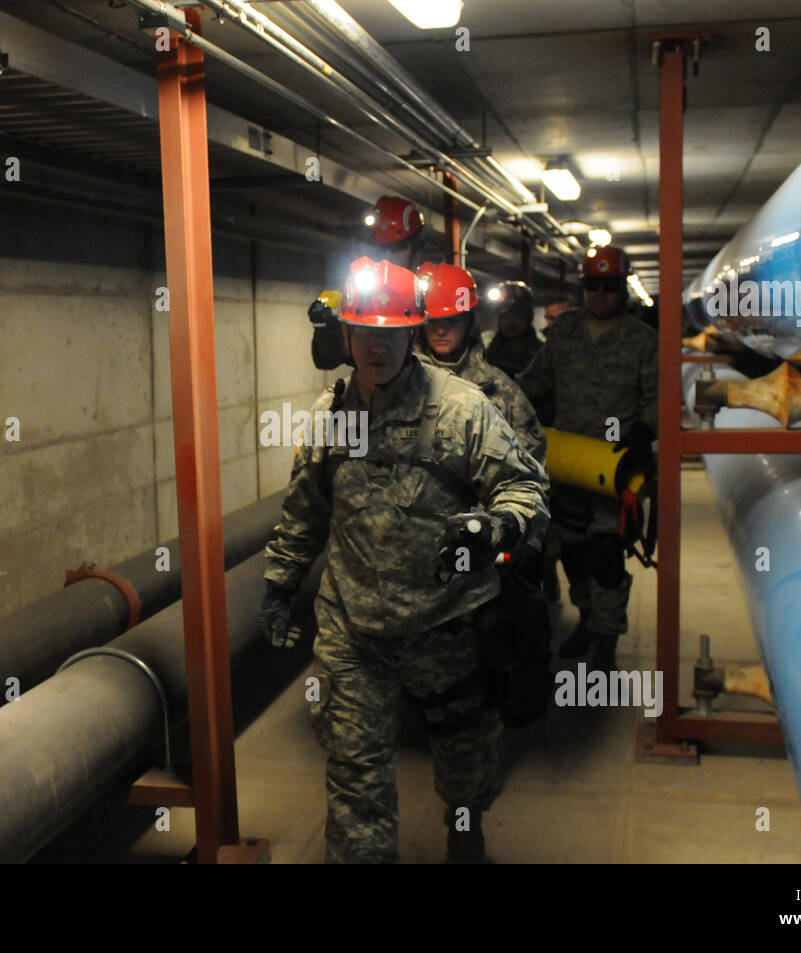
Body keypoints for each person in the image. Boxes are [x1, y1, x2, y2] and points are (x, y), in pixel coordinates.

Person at [259, 256, 550, 864]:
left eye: (391, 333)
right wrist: (282, 581)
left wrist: (498, 525)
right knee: (354, 776)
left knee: (466, 759)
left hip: (447, 624)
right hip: (353, 630)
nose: (377, 346)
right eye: (364, 332)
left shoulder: (462, 408)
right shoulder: (330, 415)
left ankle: (465, 833)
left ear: (411, 332)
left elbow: (527, 488)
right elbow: (306, 508)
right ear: (347, 335)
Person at [517, 246, 658, 672]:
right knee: (572, 553)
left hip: (615, 469)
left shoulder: (642, 341)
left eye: (609, 285)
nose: (599, 293)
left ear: (622, 288)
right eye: (592, 285)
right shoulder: (565, 332)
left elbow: (657, 401)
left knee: (606, 554)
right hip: (567, 464)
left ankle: (607, 637)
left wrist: (642, 434)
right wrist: (493, 395)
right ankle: (588, 619)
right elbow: (536, 381)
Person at [415, 263, 546, 466]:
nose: (441, 331)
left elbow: (531, 463)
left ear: (468, 322)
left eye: (452, 321)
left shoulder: (500, 389)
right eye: (434, 321)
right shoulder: (397, 380)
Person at [309, 195, 438, 371]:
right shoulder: (359, 291)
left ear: (415, 247)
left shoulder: (432, 288)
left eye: (398, 247)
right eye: (382, 248)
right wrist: (326, 327)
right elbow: (326, 360)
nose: (388, 256)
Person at [483, 280, 541, 380]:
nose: (510, 324)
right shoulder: (488, 347)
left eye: (517, 316)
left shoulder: (541, 353)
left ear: (527, 318)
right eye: (505, 318)